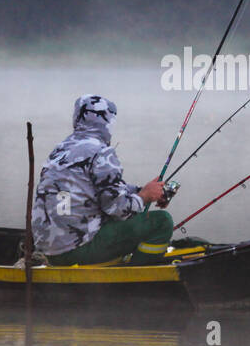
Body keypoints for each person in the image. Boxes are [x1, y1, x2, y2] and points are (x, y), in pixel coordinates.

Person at [31, 95, 174, 266]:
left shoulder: (61, 149)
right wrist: (144, 197)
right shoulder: (102, 152)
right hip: (76, 251)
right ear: (108, 122)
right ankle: (135, 275)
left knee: (130, 212)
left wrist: (142, 191)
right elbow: (119, 209)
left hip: (48, 249)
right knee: (162, 221)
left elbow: (97, 189)